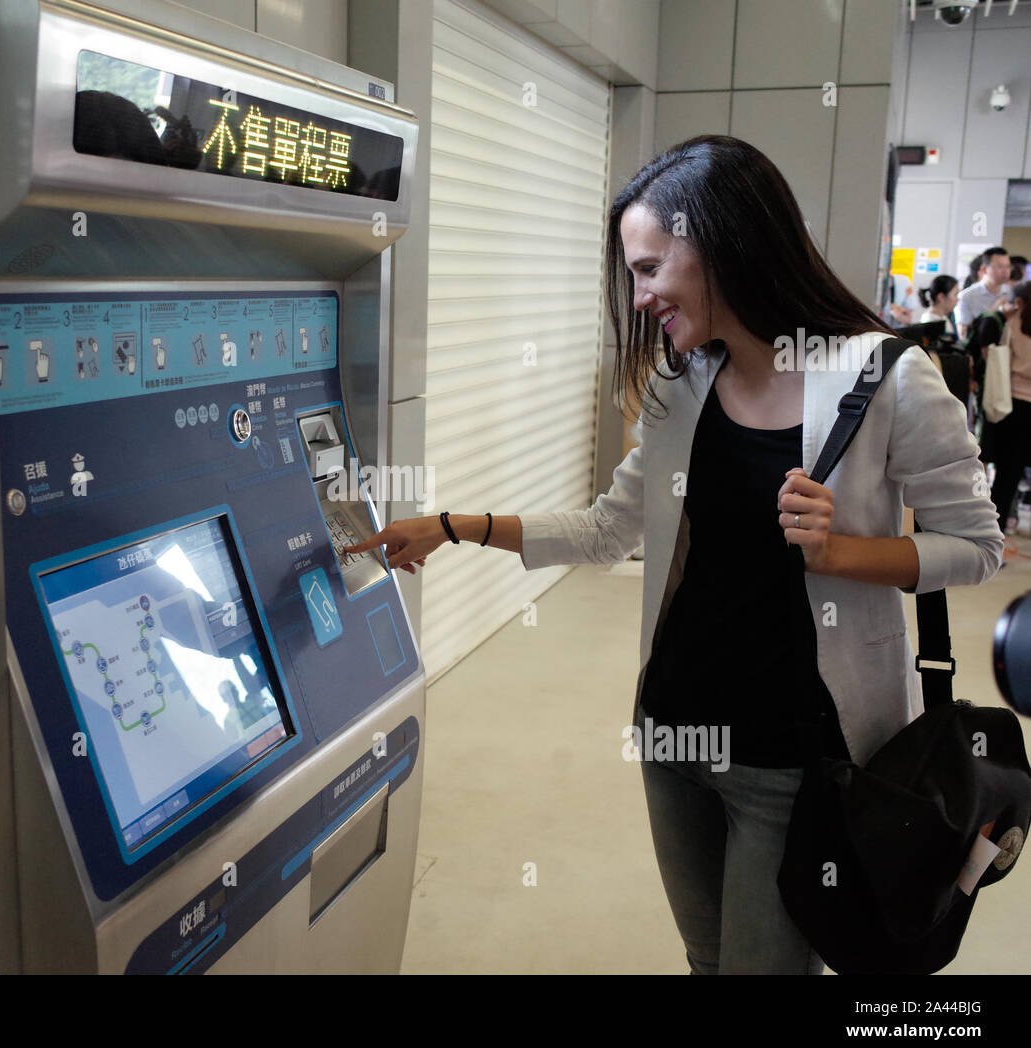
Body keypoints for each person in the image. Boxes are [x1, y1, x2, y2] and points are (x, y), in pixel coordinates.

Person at [346, 135, 1003, 975]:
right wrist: (451, 524)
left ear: (723, 243)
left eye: (651, 267)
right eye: (631, 273)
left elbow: (977, 547)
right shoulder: (681, 383)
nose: (640, 294)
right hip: (674, 737)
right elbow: (606, 529)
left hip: (796, 761)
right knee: (705, 957)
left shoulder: (888, 381)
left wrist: (842, 551)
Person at [982, 280, 1031, 560]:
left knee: (1006, 478)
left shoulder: (1014, 324)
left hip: (1012, 407)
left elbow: (1001, 357)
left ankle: (995, 537)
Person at [956, 247, 1013, 340]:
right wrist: (995, 308)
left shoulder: (1011, 293)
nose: (1006, 271)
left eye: (1008, 266)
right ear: (984, 269)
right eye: (1000, 266)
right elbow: (963, 335)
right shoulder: (967, 296)